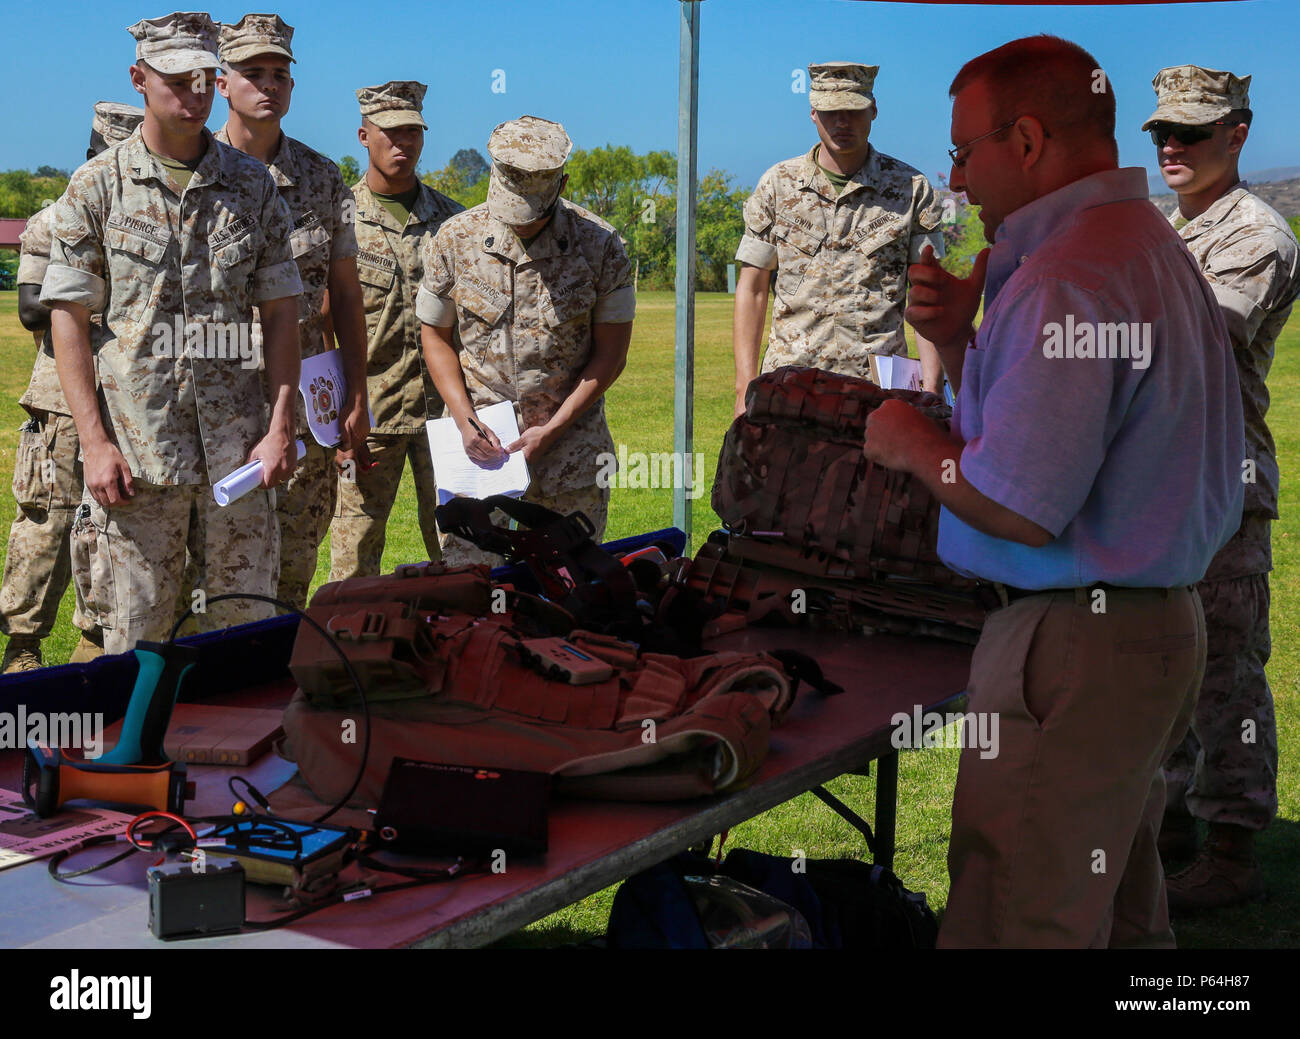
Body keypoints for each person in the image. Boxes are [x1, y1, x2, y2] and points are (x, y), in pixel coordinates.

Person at [862, 35, 1244, 948]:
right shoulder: (1138, 245)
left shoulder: (1067, 277)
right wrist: (961, 342)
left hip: (1074, 647)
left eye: (963, 153)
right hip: (1144, 635)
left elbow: (1023, 504)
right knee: (1115, 908)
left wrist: (911, 440)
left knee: (1019, 912)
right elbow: (1047, 449)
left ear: (1026, 141)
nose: (957, 184)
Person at [41, 11, 303, 657]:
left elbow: (281, 313)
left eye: (206, 79)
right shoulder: (97, 187)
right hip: (138, 463)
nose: (195, 94)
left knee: (243, 644)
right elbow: (68, 319)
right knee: (139, 648)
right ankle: (142, 762)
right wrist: (96, 444)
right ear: (139, 78)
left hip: (239, 460)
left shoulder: (254, 186)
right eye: (177, 80)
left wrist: (279, 427)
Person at [1144, 65, 1300, 911]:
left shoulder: (1258, 234)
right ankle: (1169, 827)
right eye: (1161, 132)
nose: (1172, 144)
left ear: (1237, 134)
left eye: (1191, 133)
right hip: (1156, 485)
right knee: (1161, 663)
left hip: (1222, 487)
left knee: (1226, 675)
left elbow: (1204, 335)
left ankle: (1235, 847)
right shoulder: (1168, 230)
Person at [418, 115, 634, 567]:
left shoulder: (601, 247)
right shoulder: (454, 240)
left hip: (571, 451)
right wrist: (464, 419)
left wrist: (553, 429)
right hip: (481, 453)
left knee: (570, 588)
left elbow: (611, 353)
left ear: (561, 183)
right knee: (472, 588)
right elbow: (435, 336)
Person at [214, 13, 371, 609]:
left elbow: (347, 295)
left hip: (304, 407)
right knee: (215, 577)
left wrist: (356, 392)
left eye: (280, 74)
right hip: (217, 406)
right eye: (252, 73)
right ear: (221, 83)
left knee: (293, 569)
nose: (269, 86)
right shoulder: (197, 172)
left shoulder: (321, 179)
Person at [0, 102, 142, 672]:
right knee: (47, 521)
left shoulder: (146, 223)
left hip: (129, 401)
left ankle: (95, 639)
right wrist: (106, 292)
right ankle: (22, 646)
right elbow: (34, 308)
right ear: (90, 155)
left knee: (110, 526)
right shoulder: (56, 216)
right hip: (61, 401)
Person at [732, 61, 946, 415]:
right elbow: (753, 289)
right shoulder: (777, 185)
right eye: (831, 112)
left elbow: (927, 294)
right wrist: (743, 389)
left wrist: (933, 387)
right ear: (813, 112)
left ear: (873, 110)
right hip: (791, 387)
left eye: (853, 110)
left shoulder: (911, 190)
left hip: (878, 393)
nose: (842, 122)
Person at [328, 81, 462, 580]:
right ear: (364, 135)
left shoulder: (452, 222)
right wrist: (336, 413)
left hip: (445, 413)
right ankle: (348, 649)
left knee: (461, 540)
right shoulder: (338, 217)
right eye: (390, 133)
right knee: (354, 551)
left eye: (413, 132)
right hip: (368, 413)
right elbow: (322, 322)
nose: (402, 144)